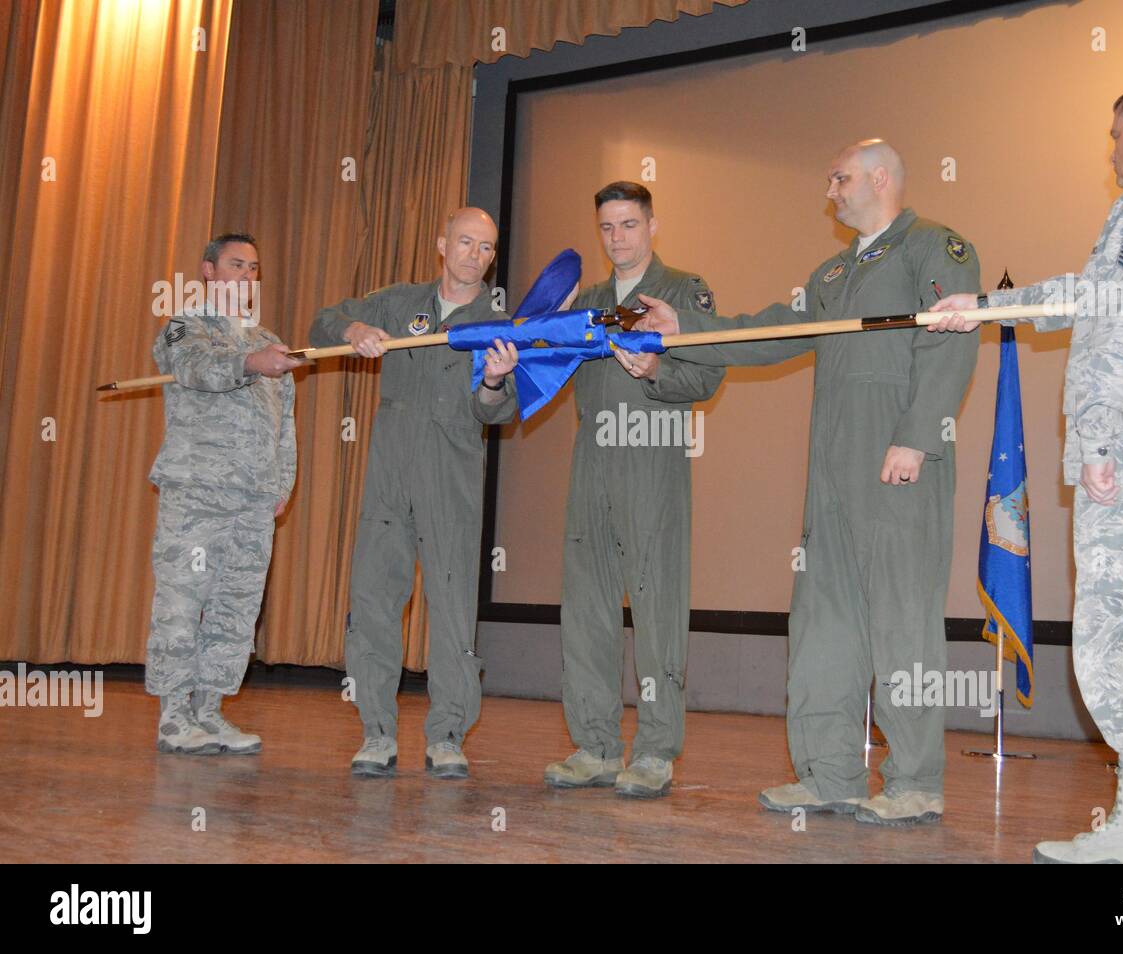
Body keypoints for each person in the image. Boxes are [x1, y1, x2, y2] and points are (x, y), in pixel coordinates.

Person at [930, 78, 1123, 863]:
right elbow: (1101, 295)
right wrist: (992, 307)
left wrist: (1099, 436)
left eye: (1114, 135)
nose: (1111, 153)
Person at [638, 142, 979, 823]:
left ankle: (913, 782)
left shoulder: (936, 247)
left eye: (841, 178)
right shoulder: (832, 273)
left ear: (881, 179)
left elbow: (952, 337)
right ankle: (829, 775)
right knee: (823, 621)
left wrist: (916, 436)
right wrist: (688, 331)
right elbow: (775, 331)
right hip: (832, 478)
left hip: (899, 466)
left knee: (903, 622)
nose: (831, 190)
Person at [308, 208, 519, 779]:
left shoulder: (502, 319)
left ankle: (448, 736)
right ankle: (377, 732)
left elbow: (503, 410)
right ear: (441, 243)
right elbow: (323, 321)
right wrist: (355, 332)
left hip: (451, 474)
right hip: (390, 469)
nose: (474, 255)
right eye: (466, 242)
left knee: (452, 612)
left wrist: (496, 380)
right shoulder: (401, 303)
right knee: (375, 599)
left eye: (486, 248)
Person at [543, 182, 723, 798]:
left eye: (628, 224)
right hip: (591, 460)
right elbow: (542, 365)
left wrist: (659, 371)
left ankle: (653, 751)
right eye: (608, 228)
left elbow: (709, 372)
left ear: (653, 225)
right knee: (587, 608)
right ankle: (593, 745)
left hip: (652, 458)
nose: (617, 237)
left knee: (657, 610)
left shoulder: (684, 289)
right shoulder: (586, 300)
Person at [147, 233, 300, 755]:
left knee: (236, 606)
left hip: (255, 500)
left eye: (255, 268)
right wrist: (253, 364)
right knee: (182, 601)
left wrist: (282, 484)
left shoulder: (270, 339)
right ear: (209, 271)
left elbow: (285, 427)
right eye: (236, 265)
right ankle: (173, 715)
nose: (247, 276)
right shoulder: (184, 328)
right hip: (198, 492)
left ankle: (208, 712)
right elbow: (197, 370)